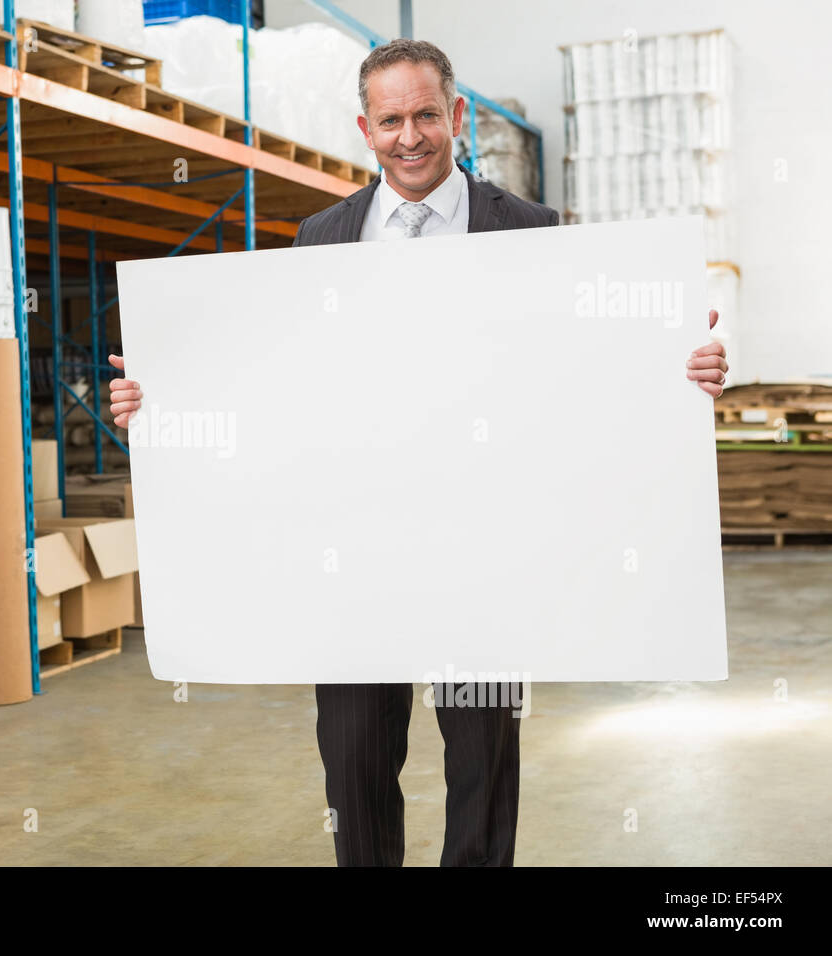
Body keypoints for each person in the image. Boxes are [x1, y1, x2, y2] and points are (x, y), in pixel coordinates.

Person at [106, 38, 728, 867]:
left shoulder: (529, 231)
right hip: (357, 547)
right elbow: (275, 386)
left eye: (426, 115)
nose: (411, 137)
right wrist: (160, 404)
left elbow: (584, 366)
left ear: (457, 115)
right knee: (356, 760)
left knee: (482, 763)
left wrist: (678, 368)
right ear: (364, 128)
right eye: (391, 120)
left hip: (485, 550)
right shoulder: (321, 238)